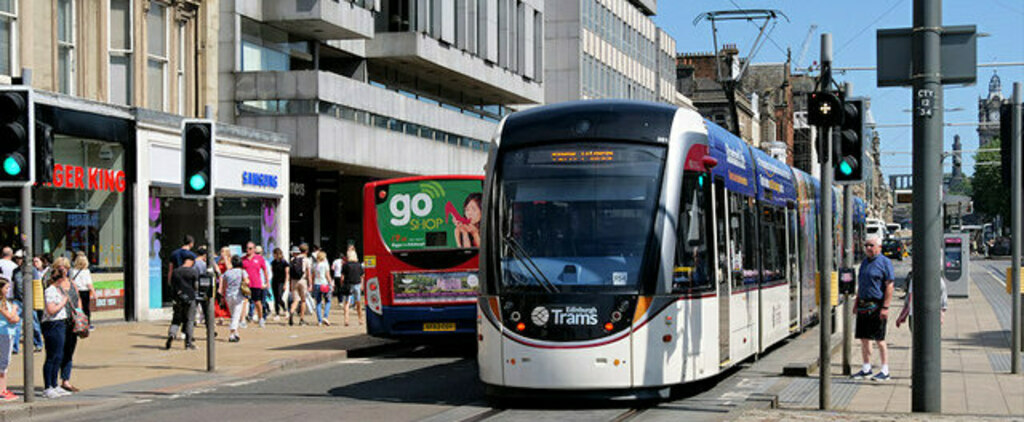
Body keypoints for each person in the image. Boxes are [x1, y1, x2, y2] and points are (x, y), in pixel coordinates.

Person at [851, 237, 896, 382]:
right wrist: (856, 303)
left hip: (877, 305)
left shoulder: (885, 262)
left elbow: (890, 286)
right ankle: (866, 368)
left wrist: (885, 307)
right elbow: (861, 285)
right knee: (864, 338)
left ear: (879, 247)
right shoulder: (865, 262)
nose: (868, 248)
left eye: (871, 245)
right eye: (866, 245)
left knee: (879, 339)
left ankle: (885, 370)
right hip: (863, 304)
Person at [41, 267, 73, 399]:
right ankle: (48, 386)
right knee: (52, 356)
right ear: (59, 279)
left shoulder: (58, 290)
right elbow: (51, 310)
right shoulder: (50, 291)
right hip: (52, 324)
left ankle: (54, 384)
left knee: (59, 355)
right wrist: (63, 302)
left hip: (60, 323)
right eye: (64, 277)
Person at [165, 255, 198, 350]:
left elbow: (171, 284)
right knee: (189, 320)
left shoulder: (175, 271)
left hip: (177, 298)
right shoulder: (193, 272)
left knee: (176, 319)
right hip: (190, 298)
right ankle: (188, 344)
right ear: (191, 262)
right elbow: (196, 286)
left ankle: (172, 334)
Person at [219, 256, 248, 343]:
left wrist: (222, 297)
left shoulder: (227, 272)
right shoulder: (242, 272)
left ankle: (236, 333)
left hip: (228, 295)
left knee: (233, 315)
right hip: (238, 295)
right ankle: (232, 334)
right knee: (236, 315)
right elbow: (247, 281)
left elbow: (224, 286)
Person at [0, 277, 20, 401]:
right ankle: (1, 390)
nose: (8, 290)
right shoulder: (2, 304)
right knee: (4, 361)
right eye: (6, 288)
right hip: (3, 333)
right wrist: (14, 309)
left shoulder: (6, 302)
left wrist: (14, 315)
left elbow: (16, 319)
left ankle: (3, 388)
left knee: (6, 361)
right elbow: (10, 317)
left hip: (10, 332)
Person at [242, 242, 269, 328]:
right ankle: (242, 320)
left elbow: (265, 270)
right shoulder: (243, 259)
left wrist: (267, 282)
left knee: (257, 302)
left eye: (250, 248)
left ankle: (261, 319)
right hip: (246, 284)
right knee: (244, 301)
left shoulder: (259, 258)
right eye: (247, 248)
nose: (248, 250)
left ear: (254, 249)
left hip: (256, 283)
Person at [288, 245, 311, 326]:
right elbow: (308, 273)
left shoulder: (292, 259)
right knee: (303, 300)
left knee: (295, 300)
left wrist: (290, 283)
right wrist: (310, 284)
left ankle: (291, 311)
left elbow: (290, 273)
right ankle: (301, 319)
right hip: (302, 280)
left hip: (294, 281)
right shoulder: (306, 260)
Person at [341, 248, 364, 326]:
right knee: (358, 302)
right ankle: (360, 319)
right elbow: (362, 276)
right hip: (357, 284)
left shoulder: (345, 265)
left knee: (347, 303)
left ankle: (346, 320)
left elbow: (342, 277)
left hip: (348, 284)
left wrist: (342, 284)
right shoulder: (359, 265)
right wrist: (362, 285)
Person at [70, 256, 96, 321]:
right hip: (84, 291)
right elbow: (89, 284)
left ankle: (77, 321)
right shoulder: (86, 271)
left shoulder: (72, 271)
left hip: (75, 291)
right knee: (85, 308)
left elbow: (71, 281)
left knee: (77, 308)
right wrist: (94, 292)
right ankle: (86, 322)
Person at [312, 251, 332, 326]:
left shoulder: (315, 265)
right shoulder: (325, 264)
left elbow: (313, 276)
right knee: (328, 301)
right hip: (324, 284)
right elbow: (327, 275)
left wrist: (311, 284)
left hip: (317, 284)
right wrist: (331, 283)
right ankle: (325, 316)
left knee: (318, 302)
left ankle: (319, 320)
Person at [270, 248, 289, 318]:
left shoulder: (284, 263)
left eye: (274, 254)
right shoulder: (273, 262)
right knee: (276, 298)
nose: (273, 255)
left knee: (279, 297)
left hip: (281, 282)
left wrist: (285, 284)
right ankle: (277, 313)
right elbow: (272, 272)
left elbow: (287, 274)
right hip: (274, 281)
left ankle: (285, 309)